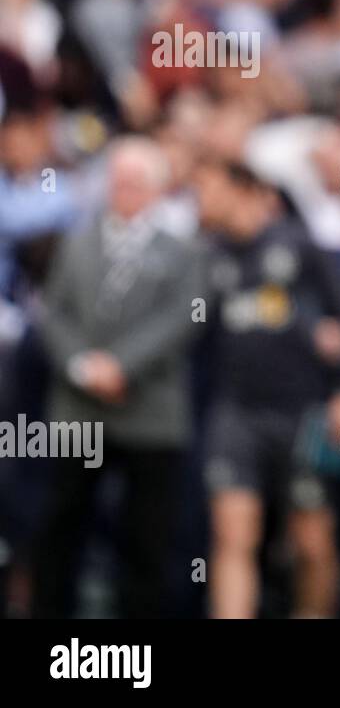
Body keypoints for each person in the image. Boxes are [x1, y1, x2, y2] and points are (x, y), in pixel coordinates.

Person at [33, 136, 204, 617]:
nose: (124, 190)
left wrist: (121, 366)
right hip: (78, 407)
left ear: (157, 189)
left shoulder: (183, 250)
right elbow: (53, 313)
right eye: (118, 180)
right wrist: (81, 366)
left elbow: (184, 318)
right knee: (61, 524)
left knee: (148, 537)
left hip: (150, 412)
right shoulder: (76, 242)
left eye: (136, 182)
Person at [197, 160, 340, 618]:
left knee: (311, 541)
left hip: (303, 412)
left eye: (208, 188)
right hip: (236, 412)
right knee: (233, 533)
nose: (200, 200)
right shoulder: (209, 255)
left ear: (244, 189)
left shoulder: (300, 246)